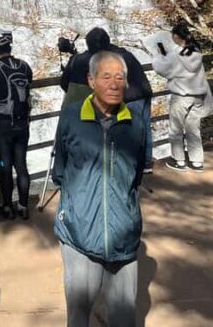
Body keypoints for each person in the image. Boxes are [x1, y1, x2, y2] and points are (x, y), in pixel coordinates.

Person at [53, 50, 147, 327]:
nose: (115, 83)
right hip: (78, 231)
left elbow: (137, 173)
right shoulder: (70, 117)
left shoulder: (136, 122)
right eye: (106, 77)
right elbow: (61, 169)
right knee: (79, 313)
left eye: (120, 77)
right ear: (91, 80)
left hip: (124, 232)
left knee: (123, 316)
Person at [60, 26, 153, 170]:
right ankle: (145, 164)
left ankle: (130, 167)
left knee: (128, 135)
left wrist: (74, 57)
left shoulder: (98, 60)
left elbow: (66, 84)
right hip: (144, 92)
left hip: (128, 99)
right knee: (143, 131)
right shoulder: (122, 53)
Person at [0, 29, 32, 220]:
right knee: (21, 166)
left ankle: (7, 207)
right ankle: (24, 206)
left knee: (4, 165)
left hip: (3, 126)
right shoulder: (25, 67)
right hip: (23, 124)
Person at [150, 22, 211, 172]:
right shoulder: (195, 51)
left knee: (176, 129)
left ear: (176, 36)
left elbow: (160, 68)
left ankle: (179, 160)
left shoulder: (176, 54)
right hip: (198, 96)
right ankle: (197, 162)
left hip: (182, 96)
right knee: (193, 129)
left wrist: (158, 54)